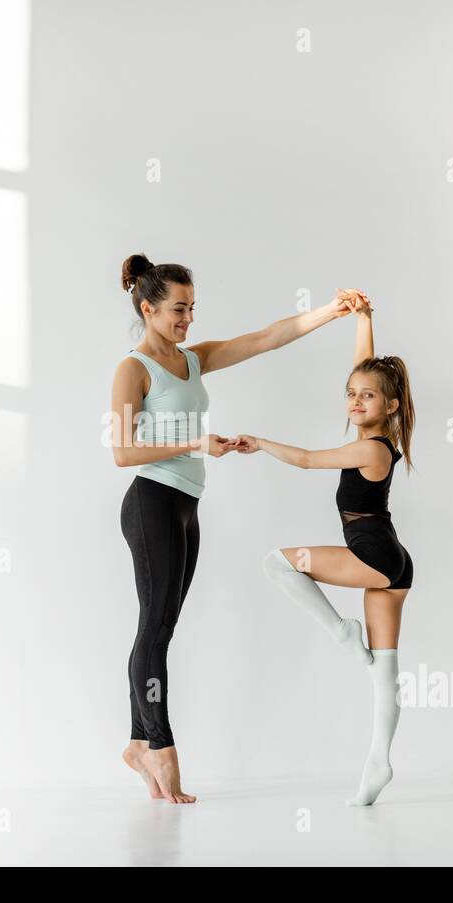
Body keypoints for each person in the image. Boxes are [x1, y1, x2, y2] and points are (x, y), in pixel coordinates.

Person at [109, 251, 366, 804]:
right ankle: (160, 746)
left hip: (186, 504)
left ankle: (136, 741)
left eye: (193, 309)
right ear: (148, 308)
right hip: (151, 501)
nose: (188, 320)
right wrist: (194, 443)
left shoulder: (192, 360)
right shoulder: (133, 369)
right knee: (154, 628)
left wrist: (331, 310)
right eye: (179, 310)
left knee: (160, 629)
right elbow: (122, 451)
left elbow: (267, 338)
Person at [232, 293, 415, 806]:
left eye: (367, 398)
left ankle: (339, 632)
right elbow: (368, 371)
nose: (355, 402)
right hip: (394, 565)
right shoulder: (382, 438)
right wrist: (364, 319)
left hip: (373, 560)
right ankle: (379, 762)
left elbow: (310, 459)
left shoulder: (369, 448)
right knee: (385, 671)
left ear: (390, 407)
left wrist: (261, 443)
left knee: (277, 563)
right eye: (350, 394)